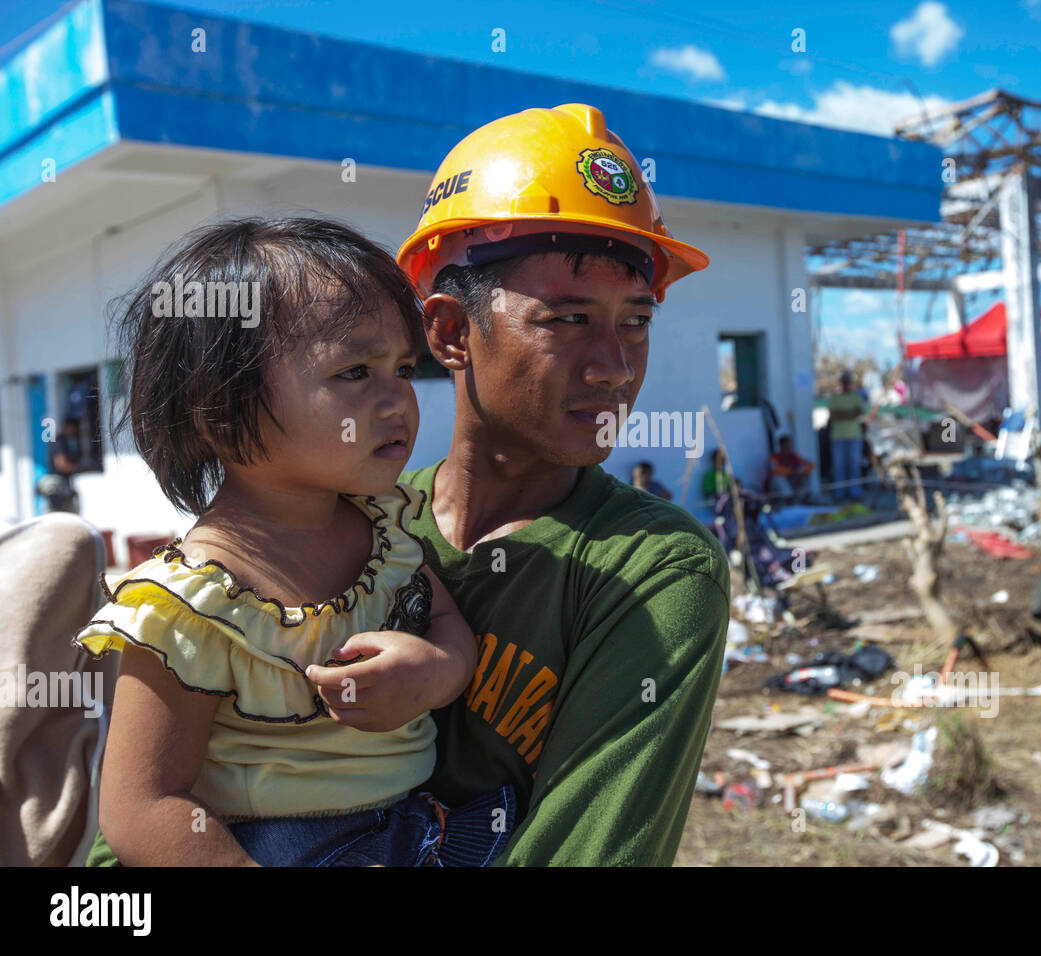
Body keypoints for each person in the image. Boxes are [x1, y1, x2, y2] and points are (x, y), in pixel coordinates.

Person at [79, 218, 512, 867]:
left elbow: (447, 626)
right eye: (356, 371)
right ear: (221, 409)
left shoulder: (386, 532)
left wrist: (432, 674)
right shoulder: (189, 607)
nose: (397, 399)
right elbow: (142, 804)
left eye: (403, 366)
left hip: (423, 832)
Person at [390, 102, 729, 865]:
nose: (614, 364)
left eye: (635, 320)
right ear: (450, 333)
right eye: (568, 319)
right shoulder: (357, 521)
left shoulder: (653, 570)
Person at [827, 371, 868, 501]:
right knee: (839, 466)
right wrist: (849, 414)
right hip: (838, 437)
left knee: (854, 466)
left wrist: (843, 414)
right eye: (844, 382)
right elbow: (833, 416)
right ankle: (839, 494)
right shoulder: (834, 398)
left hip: (854, 436)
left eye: (848, 382)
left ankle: (855, 493)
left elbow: (859, 413)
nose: (846, 384)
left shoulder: (857, 398)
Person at [37, 418, 83, 513]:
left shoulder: (64, 441)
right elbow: (61, 464)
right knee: (59, 514)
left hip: (61, 484)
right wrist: (78, 467)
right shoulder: (59, 441)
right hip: (57, 485)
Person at [765, 434, 815, 503]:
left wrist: (802, 474)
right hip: (777, 489)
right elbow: (775, 470)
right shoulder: (774, 457)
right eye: (786, 445)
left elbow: (811, 465)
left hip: (792, 482)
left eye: (790, 445)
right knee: (777, 477)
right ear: (781, 446)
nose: (789, 447)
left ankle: (805, 498)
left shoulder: (794, 456)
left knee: (805, 473)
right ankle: (789, 499)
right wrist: (792, 472)